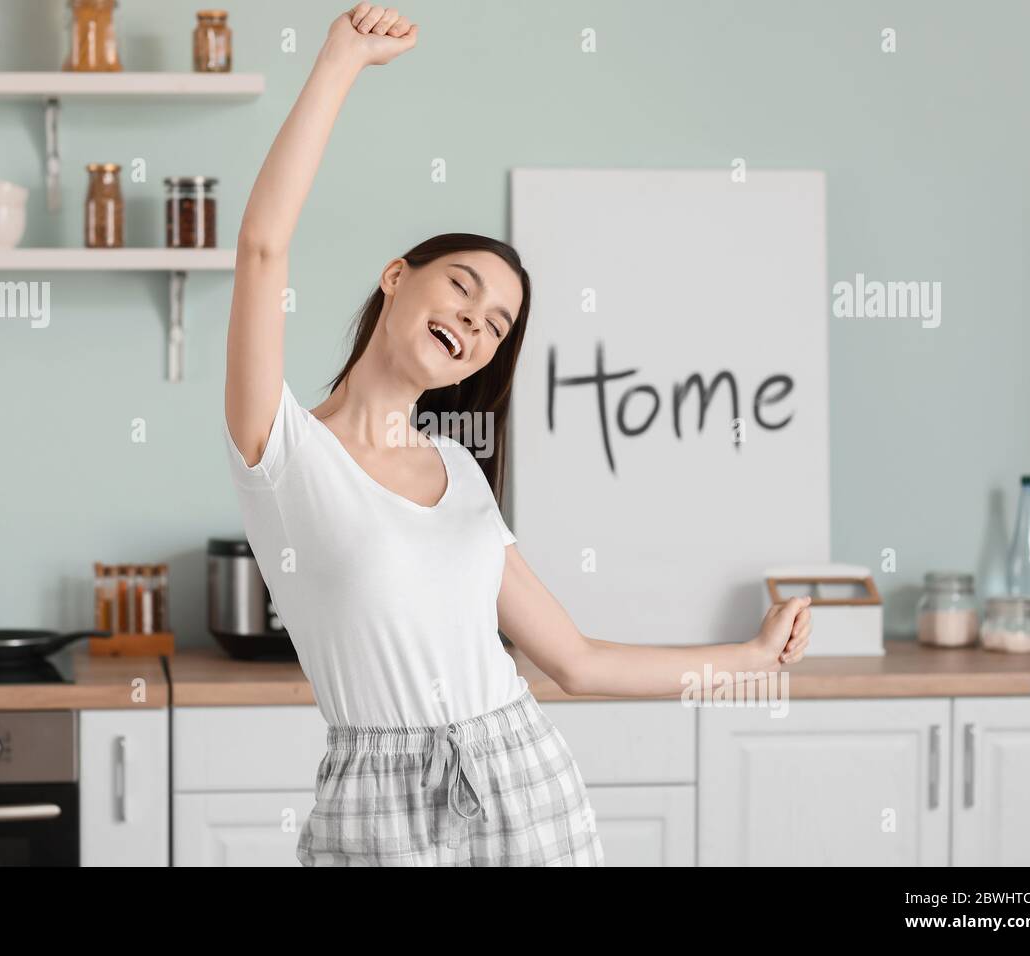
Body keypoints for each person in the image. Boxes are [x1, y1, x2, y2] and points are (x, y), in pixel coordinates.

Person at [224, 4, 813, 867]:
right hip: (375, 812)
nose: (474, 317)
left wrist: (754, 657)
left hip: (525, 785)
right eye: (461, 286)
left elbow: (574, 661)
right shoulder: (282, 452)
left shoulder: (460, 468)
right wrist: (340, 62)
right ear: (396, 278)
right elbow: (262, 249)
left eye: (497, 323)